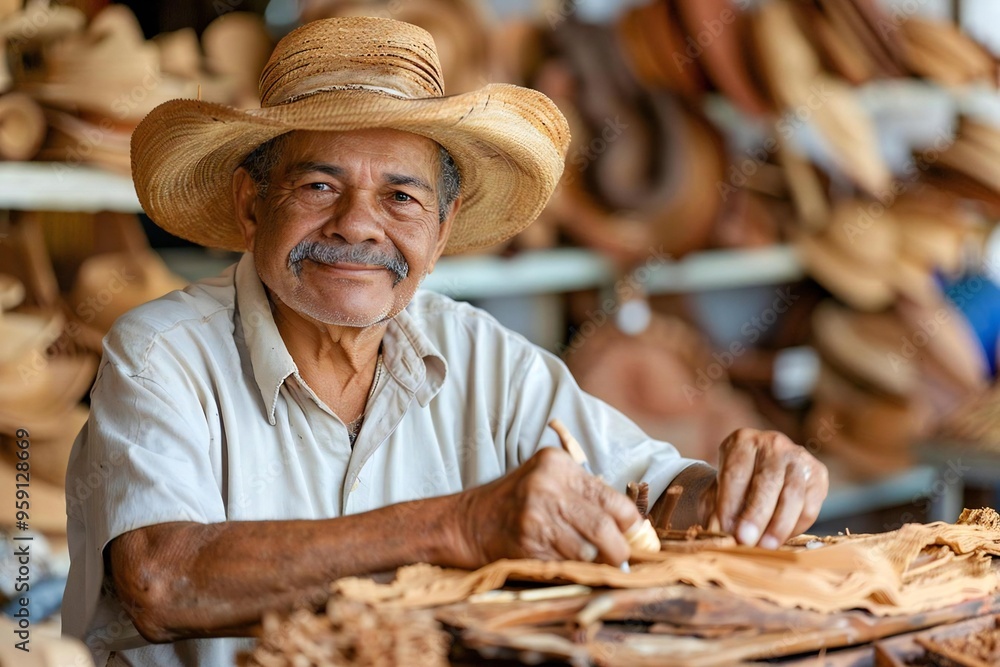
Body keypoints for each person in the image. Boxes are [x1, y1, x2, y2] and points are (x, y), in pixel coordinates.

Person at [62, 16, 828, 667]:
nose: (359, 225)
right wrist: (461, 525)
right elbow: (164, 579)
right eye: (319, 186)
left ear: (442, 229)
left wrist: (736, 490)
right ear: (251, 203)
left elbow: (650, 493)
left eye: (400, 196)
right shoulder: (162, 352)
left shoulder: (485, 359)